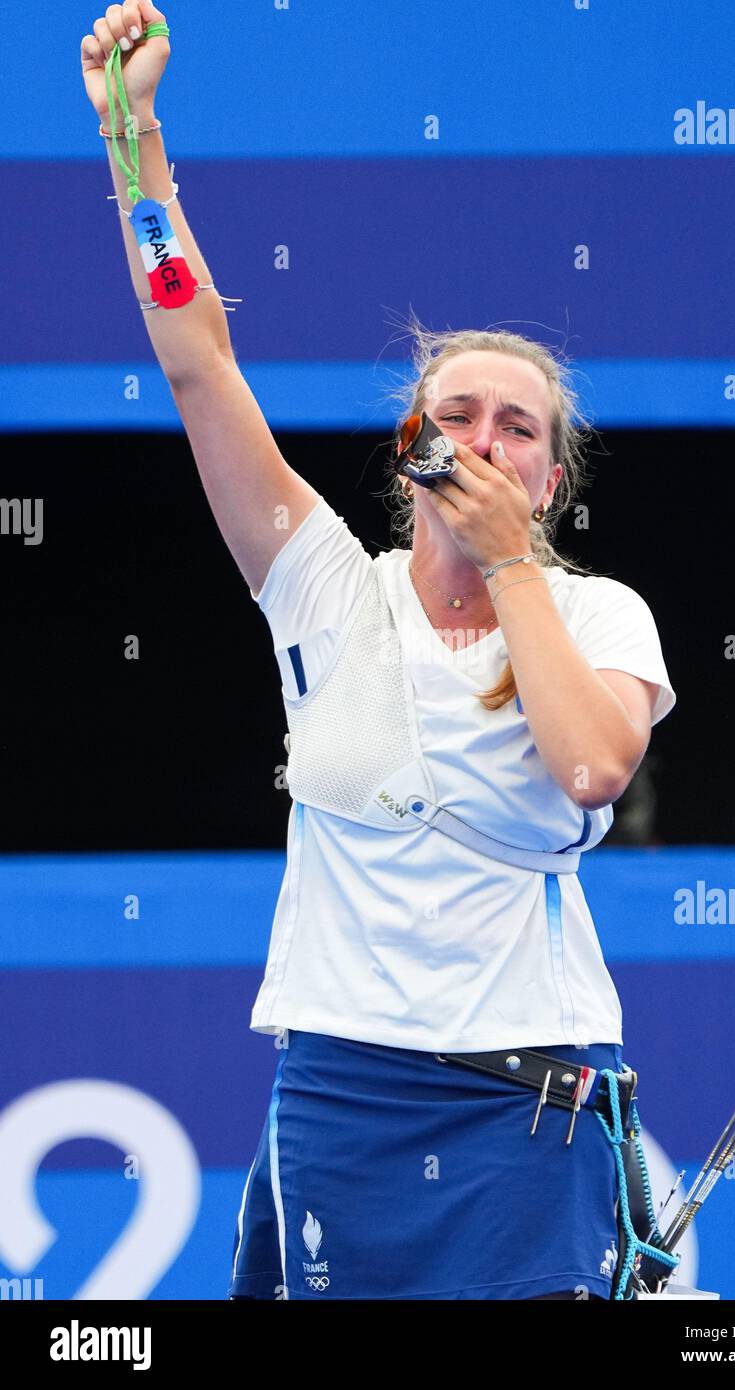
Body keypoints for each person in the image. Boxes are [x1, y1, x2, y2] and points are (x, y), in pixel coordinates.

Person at [81, 3, 676, 1301]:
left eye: (515, 427)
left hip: (527, 1099)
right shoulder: (322, 587)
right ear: (410, 446)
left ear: (552, 477)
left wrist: (511, 562)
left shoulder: (600, 616)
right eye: (452, 414)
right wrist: (134, 141)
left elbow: (590, 769)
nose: (481, 440)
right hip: (341, 1090)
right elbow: (198, 363)